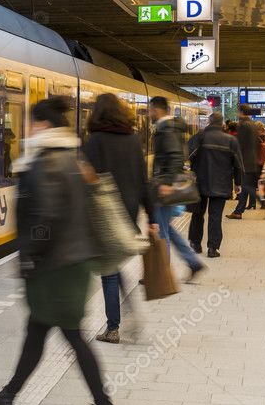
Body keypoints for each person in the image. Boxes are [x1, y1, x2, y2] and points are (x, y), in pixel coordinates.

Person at [0, 96, 121, 405]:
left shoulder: (44, 163)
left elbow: (45, 218)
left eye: (32, 122)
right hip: (72, 263)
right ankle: (8, 396)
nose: (28, 128)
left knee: (73, 336)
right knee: (37, 331)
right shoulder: (73, 159)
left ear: (42, 124)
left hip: (56, 267)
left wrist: (30, 255)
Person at [83, 93, 156, 344]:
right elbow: (143, 181)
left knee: (109, 269)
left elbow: (89, 182)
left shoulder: (95, 141)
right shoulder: (133, 140)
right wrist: (152, 217)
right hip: (129, 212)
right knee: (112, 265)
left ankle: (114, 327)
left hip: (105, 215)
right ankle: (128, 313)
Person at [148, 96, 205, 280]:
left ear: (156, 109)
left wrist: (167, 183)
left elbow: (173, 156)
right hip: (165, 183)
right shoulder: (171, 128)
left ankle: (161, 275)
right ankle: (193, 263)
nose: (149, 113)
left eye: (150, 110)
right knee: (166, 228)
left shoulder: (167, 129)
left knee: (162, 230)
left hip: (165, 185)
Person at [187, 112, 243, 258]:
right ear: (222, 124)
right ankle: (213, 248)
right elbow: (238, 164)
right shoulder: (231, 140)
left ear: (209, 122)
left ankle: (195, 243)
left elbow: (188, 154)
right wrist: (238, 183)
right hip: (221, 183)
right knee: (215, 216)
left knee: (198, 214)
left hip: (199, 182)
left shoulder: (200, 136)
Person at [227, 107, 261, 219]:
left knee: (245, 186)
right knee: (247, 185)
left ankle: (263, 200)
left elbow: (239, 144)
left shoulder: (242, 125)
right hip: (253, 160)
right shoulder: (253, 124)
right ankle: (239, 211)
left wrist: (235, 159)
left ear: (241, 112)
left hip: (244, 160)